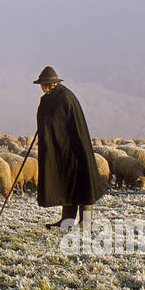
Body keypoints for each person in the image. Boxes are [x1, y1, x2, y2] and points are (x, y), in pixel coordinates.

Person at [33, 66, 106, 229]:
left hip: (75, 149)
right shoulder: (51, 98)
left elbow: (58, 121)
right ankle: (66, 220)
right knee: (66, 184)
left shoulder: (65, 97)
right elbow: (48, 118)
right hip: (64, 150)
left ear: (51, 84)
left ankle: (85, 222)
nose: (42, 88)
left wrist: (46, 122)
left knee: (83, 184)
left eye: (43, 84)